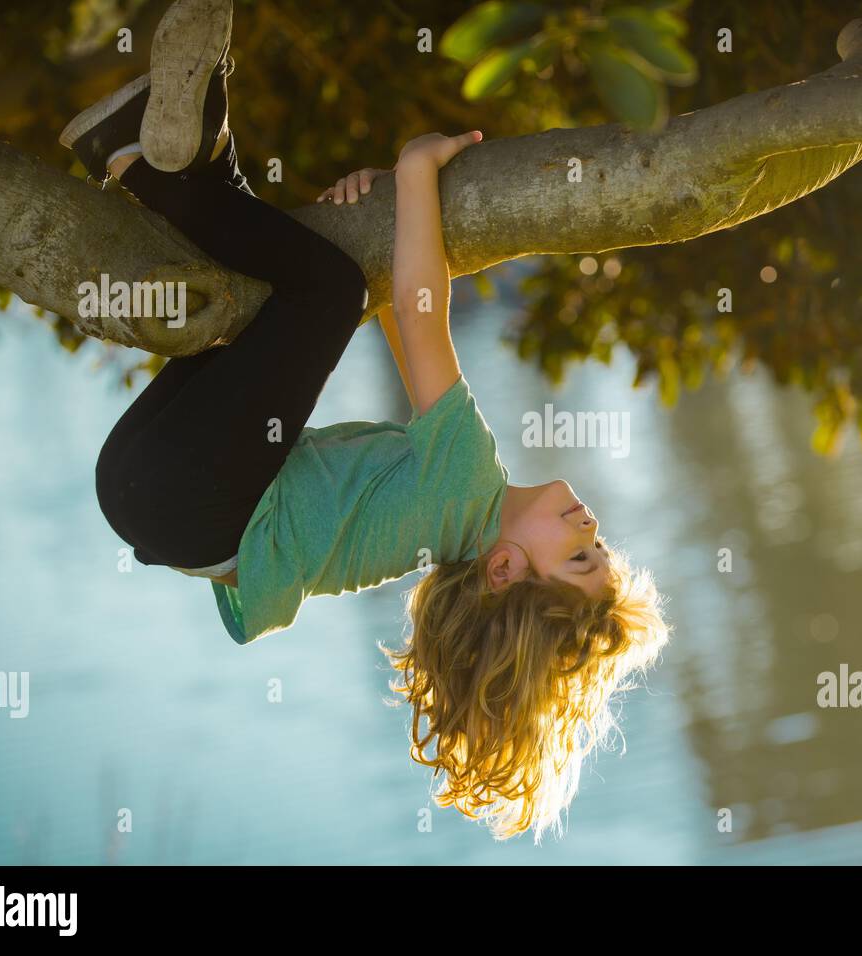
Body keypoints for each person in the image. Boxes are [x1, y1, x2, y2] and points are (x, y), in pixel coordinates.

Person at [60, 0, 669, 840]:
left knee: (325, 292)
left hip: (193, 497)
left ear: (502, 569)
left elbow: (418, 316)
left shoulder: (466, 488)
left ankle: (130, 164)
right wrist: (380, 211)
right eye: (602, 549)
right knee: (282, 297)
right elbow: (395, 301)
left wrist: (415, 172)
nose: (593, 529)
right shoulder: (443, 521)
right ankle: (194, 147)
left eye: (578, 556)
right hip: (150, 497)